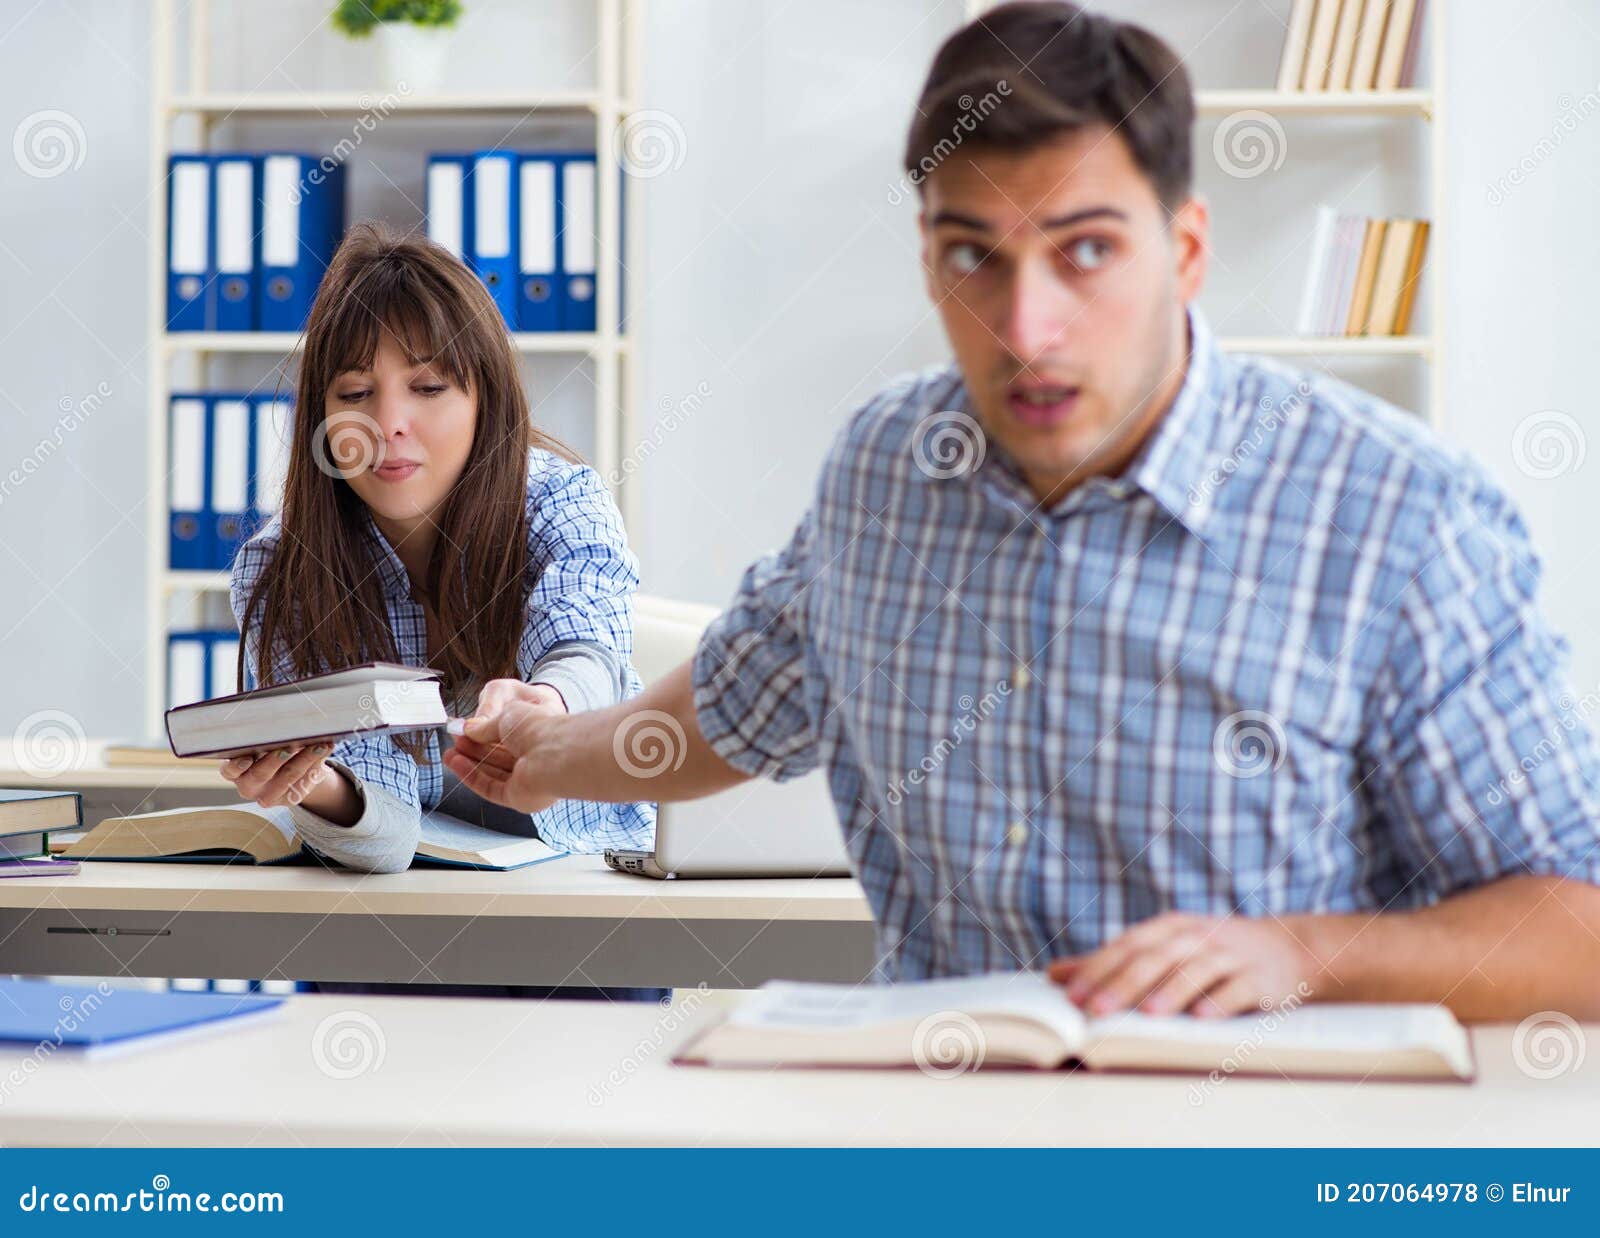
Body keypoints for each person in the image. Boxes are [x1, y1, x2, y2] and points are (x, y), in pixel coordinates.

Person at [446, 2, 1600, 1022]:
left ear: (1186, 249)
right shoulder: (884, 467)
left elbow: (1575, 932)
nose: (1026, 325)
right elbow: (743, 698)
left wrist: (1299, 952)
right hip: (942, 1139)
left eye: (1085, 250)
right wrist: (549, 755)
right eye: (972, 256)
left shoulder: (1401, 515)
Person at [225, 219, 652, 881]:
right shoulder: (282, 567)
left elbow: (587, 651)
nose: (389, 423)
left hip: (583, 887)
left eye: (428, 388)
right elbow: (381, 842)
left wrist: (550, 707)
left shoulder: (562, 500)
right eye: (355, 394)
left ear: (487, 400)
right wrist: (310, 784)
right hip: (384, 915)